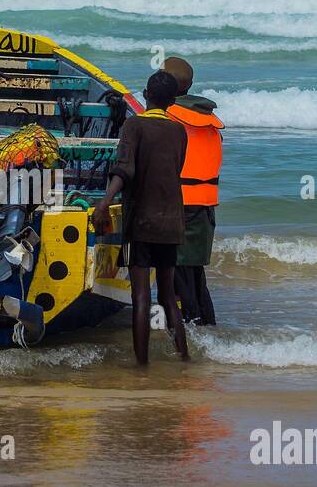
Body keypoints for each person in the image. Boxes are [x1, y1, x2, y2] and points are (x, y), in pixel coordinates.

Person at [93, 71, 190, 365]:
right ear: (172, 102)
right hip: (172, 223)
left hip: (140, 225)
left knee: (141, 296)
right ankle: (184, 358)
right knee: (168, 297)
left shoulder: (133, 125)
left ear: (146, 95)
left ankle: (142, 365)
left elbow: (125, 170)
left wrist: (105, 202)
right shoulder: (179, 132)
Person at [163, 56, 223, 326]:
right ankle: (206, 328)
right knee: (194, 274)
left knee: (177, 275)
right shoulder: (210, 121)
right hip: (204, 207)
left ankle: (190, 333)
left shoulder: (167, 118)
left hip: (176, 207)